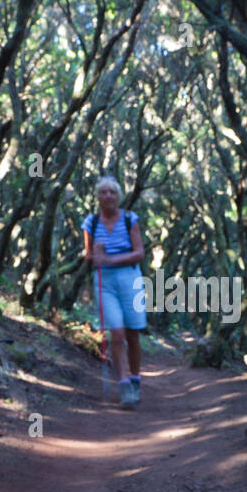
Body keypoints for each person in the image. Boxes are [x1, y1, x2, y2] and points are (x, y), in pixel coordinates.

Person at [82, 175, 146, 409]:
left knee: (132, 333)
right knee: (116, 333)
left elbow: (139, 253)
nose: (108, 196)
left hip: (130, 277)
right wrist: (93, 255)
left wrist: (109, 257)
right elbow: (89, 257)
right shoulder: (91, 223)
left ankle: (136, 378)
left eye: (112, 192)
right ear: (98, 196)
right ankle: (124, 385)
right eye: (103, 192)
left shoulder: (130, 219)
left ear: (118, 196)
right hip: (104, 281)